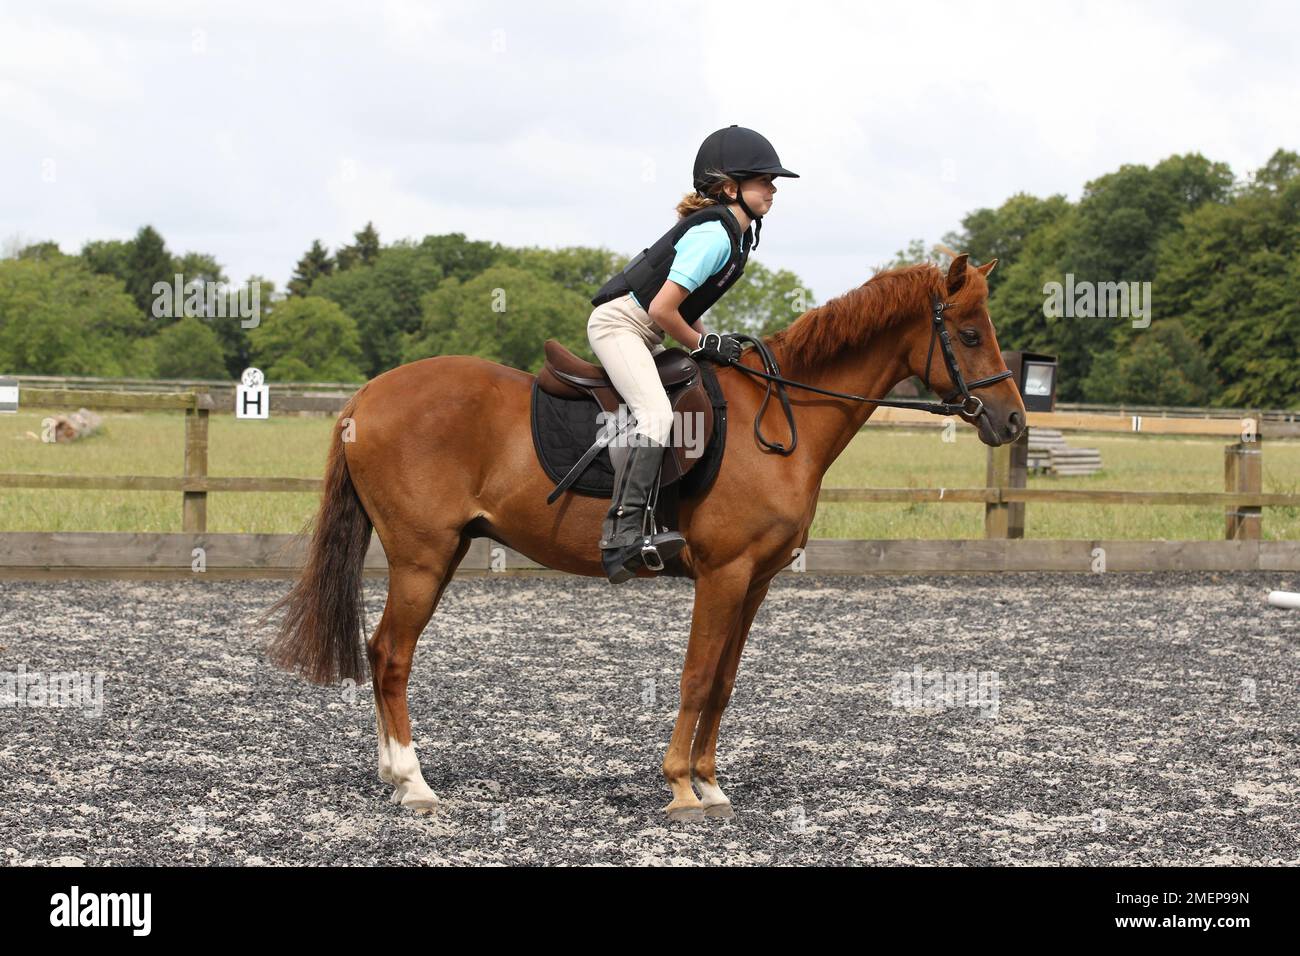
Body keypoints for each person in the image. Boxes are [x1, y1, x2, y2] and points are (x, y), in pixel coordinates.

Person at [586, 125, 799, 583]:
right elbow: (663, 308)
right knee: (656, 415)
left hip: (646, 329)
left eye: (772, 180)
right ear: (729, 188)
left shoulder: (735, 236)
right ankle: (622, 532)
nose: (773, 188)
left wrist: (709, 338)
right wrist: (700, 342)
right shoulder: (716, 234)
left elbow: (682, 307)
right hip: (621, 325)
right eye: (763, 179)